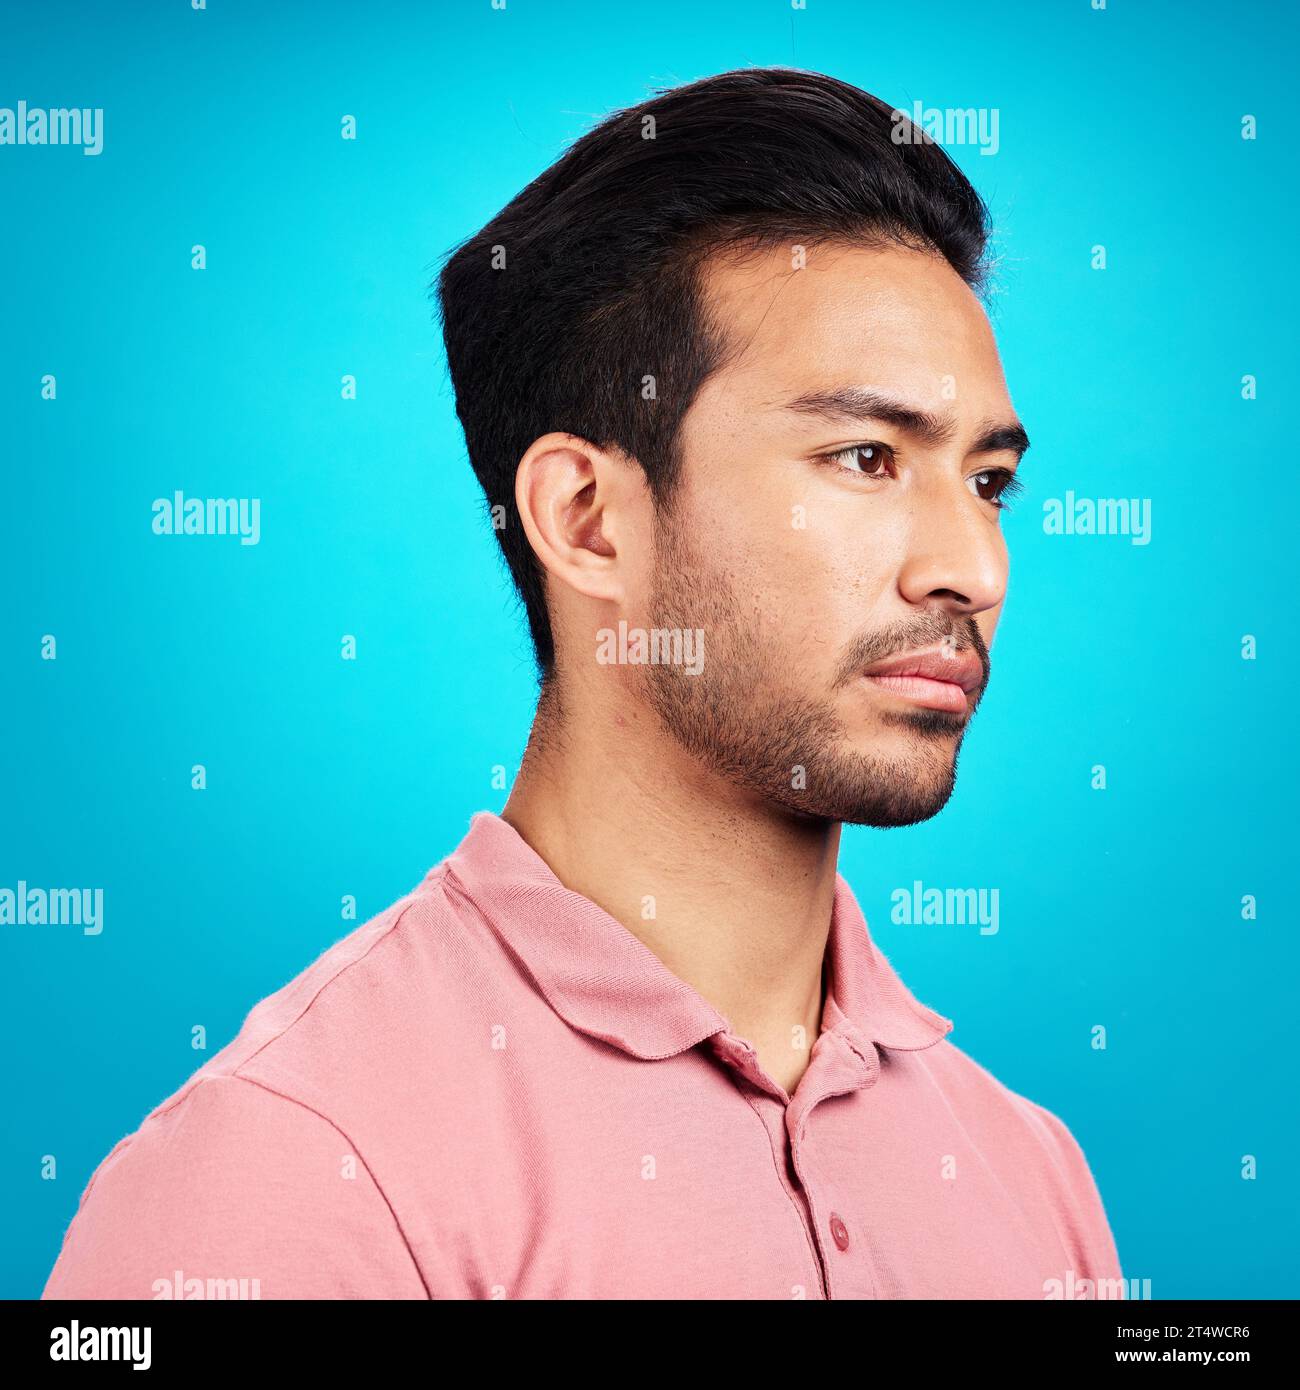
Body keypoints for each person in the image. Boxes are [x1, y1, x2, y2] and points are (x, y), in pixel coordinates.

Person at [44, 66, 1122, 1300]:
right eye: (866, 457)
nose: (969, 566)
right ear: (589, 518)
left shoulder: (1028, 1171)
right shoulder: (285, 1167)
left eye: (988, 481)